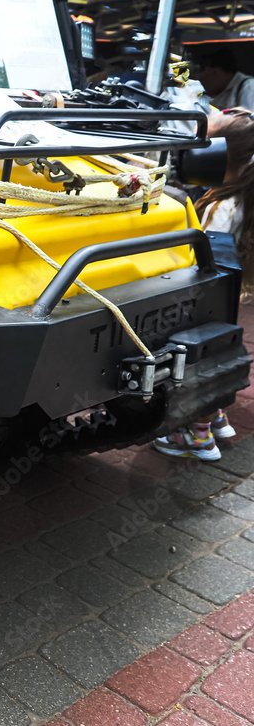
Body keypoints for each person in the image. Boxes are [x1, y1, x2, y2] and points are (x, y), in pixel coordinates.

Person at [153, 107, 254, 460]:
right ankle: (217, 419)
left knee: (194, 363)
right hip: (226, 296)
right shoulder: (243, 197)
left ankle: (196, 437)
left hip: (204, 297)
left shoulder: (220, 206)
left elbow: (203, 254)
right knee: (215, 356)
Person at [197, 47, 254, 113]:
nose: (202, 83)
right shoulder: (220, 93)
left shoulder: (249, 87)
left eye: (203, 79)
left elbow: (249, 120)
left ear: (215, 73)